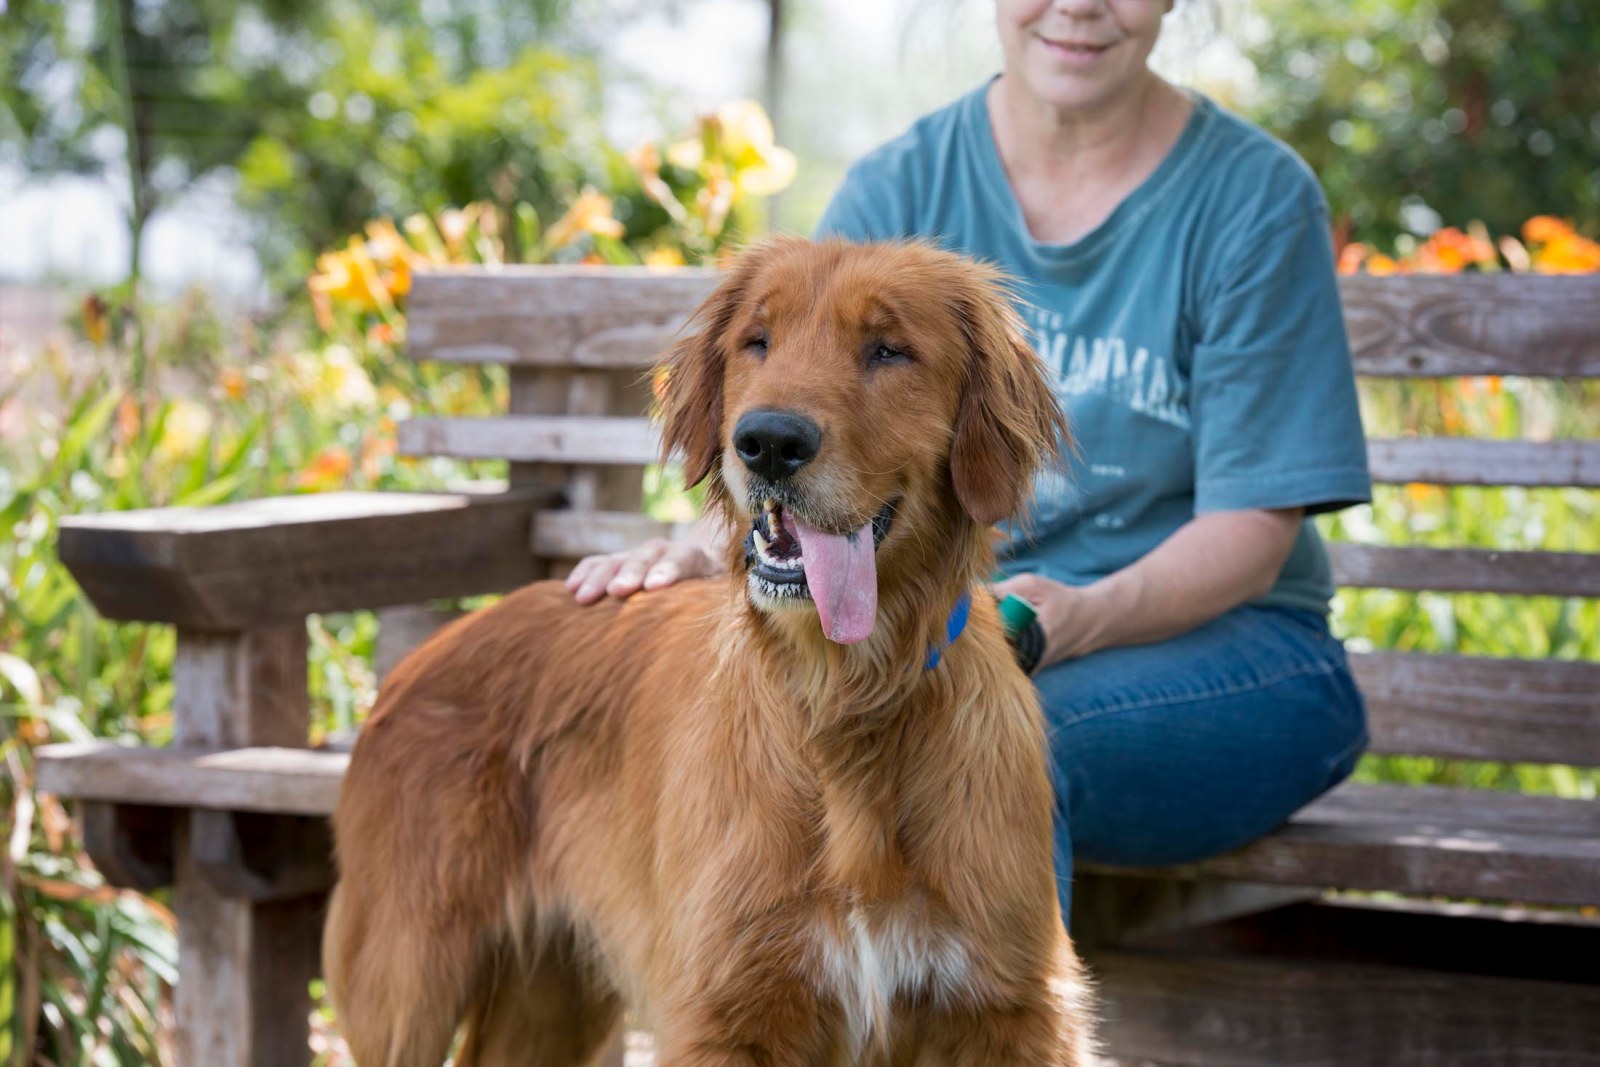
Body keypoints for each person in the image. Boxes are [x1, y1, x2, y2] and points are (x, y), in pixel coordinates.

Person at [565, 0, 1370, 918]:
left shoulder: (1254, 198)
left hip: (1229, 650)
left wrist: (1076, 616)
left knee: (993, 742)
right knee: (823, 729)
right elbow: (808, 412)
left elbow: (1252, 531)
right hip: (956, 635)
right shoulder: (899, 184)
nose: (1079, 5)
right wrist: (715, 543)